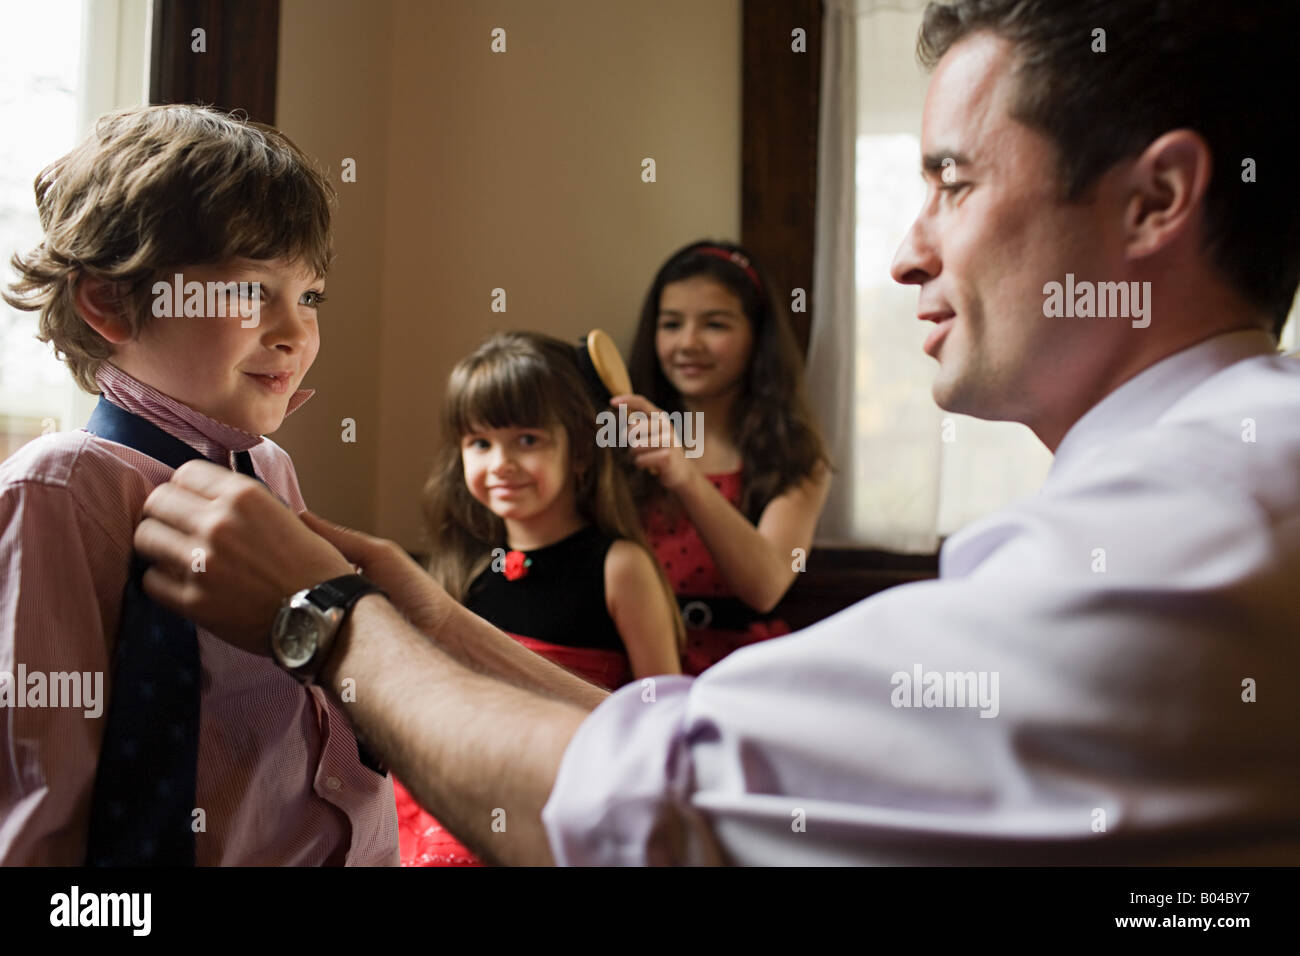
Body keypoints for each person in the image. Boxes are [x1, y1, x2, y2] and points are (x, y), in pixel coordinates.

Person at [130, 0, 1300, 865]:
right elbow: (709, 746)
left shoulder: (1199, 521)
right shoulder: (1213, 473)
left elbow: (662, 800)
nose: (904, 252)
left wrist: (326, 625)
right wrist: (417, 605)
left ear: (1154, 201)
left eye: (950, 180)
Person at [0, 105, 397, 865]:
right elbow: (42, 794)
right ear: (109, 302)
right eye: (251, 291)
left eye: (309, 296)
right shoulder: (59, 492)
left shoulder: (267, 468)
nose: (296, 332)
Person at [394, 330, 681, 865]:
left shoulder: (620, 567)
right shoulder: (465, 568)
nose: (500, 462)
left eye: (527, 440)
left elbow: (659, 712)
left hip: (565, 787)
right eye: (480, 443)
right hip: (464, 785)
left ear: (578, 451)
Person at [619, 240, 831, 674]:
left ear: (758, 337)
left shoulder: (796, 457)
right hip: (630, 663)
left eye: (715, 325)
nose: (688, 343)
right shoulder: (620, 437)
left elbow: (767, 585)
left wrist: (684, 476)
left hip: (741, 674)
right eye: (671, 324)